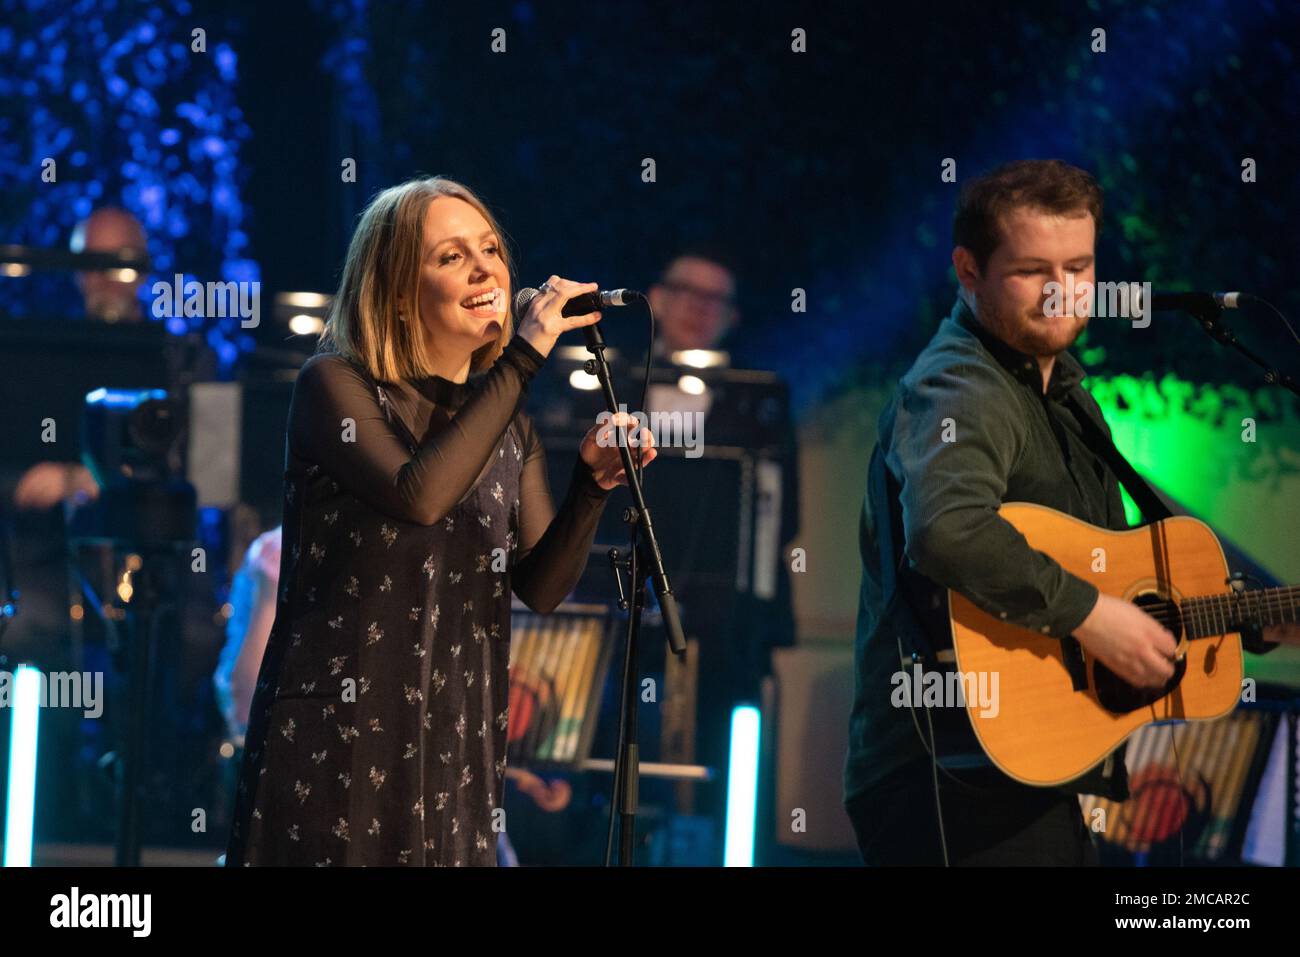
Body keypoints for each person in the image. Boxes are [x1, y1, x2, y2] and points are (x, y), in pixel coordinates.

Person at [843, 159, 1298, 866]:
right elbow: (947, 527)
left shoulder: (1067, 398)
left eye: (1080, 268)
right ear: (969, 269)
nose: (1064, 293)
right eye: (1033, 271)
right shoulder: (960, 383)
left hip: (1027, 767)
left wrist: (1253, 618)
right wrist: (1089, 612)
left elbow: (1122, 584)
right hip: (948, 778)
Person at [224, 176, 657, 866]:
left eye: (489, 248)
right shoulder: (334, 385)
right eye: (452, 256)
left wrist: (592, 486)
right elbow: (418, 494)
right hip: (340, 743)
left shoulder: (507, 426)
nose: (486, 267)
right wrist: (523, 354)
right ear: (398, 292)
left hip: (454, 749)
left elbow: (543, 587)